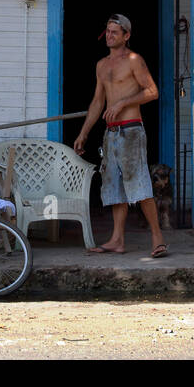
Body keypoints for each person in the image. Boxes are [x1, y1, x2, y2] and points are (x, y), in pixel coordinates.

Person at [73, 14, 167, 257]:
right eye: (108, 31)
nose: (110, 35)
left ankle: (157, 238)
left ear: (127, 35)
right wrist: (83, 133)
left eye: (115, 32)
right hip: (111, 133)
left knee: (139, 184)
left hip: (132, 130)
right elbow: (97, 102)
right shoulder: (101, 65)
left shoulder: (134, 60)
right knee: (114, 186)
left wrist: (124, 102)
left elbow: (152, 91)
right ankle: (117, 240)